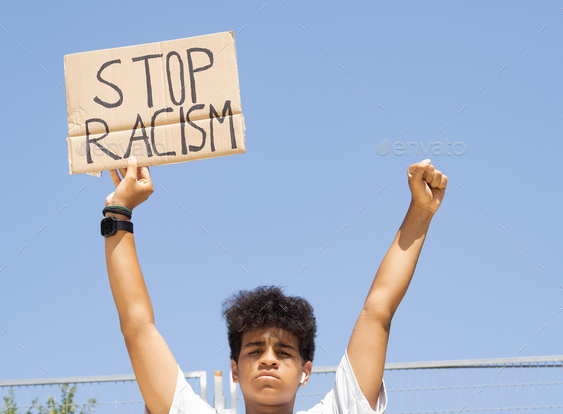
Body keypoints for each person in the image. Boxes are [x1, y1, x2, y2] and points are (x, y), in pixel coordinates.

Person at [102, 156, 448, 414]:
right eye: (254, 350)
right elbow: (137, 325)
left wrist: (420, 212)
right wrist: (119, 213)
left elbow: (378, 311)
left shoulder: (342, 408)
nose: (268, 359)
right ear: (235, 369)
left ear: (305, 372)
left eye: (284, 352)